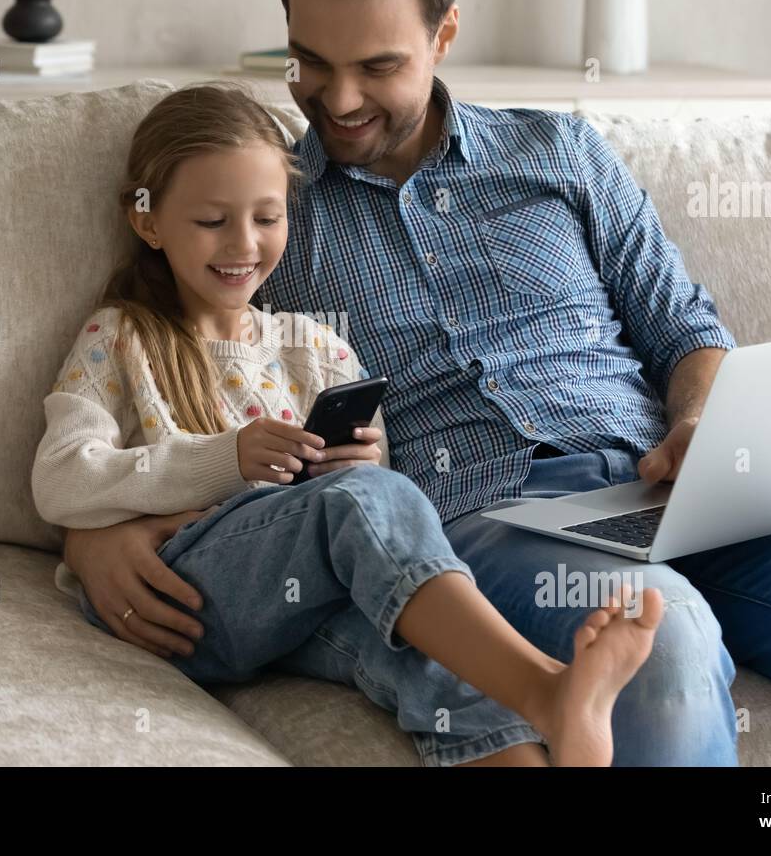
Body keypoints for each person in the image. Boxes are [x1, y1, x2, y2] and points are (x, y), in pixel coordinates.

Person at [62, 0, 771, 766]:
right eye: (309, 63)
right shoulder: (271, 211)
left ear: (445, 37)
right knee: (661, 648)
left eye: (377, 65)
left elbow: (685, 326)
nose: (338, 99)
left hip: (680, 484)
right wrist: (91, 533)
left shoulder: (558, 153)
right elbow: (182, 379)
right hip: (494, 518)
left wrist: (700, 424)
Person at [33, 82, 664, 766]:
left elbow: (380, 508)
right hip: (182, 597)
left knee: (436, 659)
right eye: (212, 221)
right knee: (360, 505)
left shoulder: (318, 345)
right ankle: (550, 690)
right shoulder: (120, 337)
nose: (243, 244)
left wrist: (367, 466)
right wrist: (228, 459)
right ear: (149, 220)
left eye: (267, 218)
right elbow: (61, 479)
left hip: (300, 604)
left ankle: (539, 719)